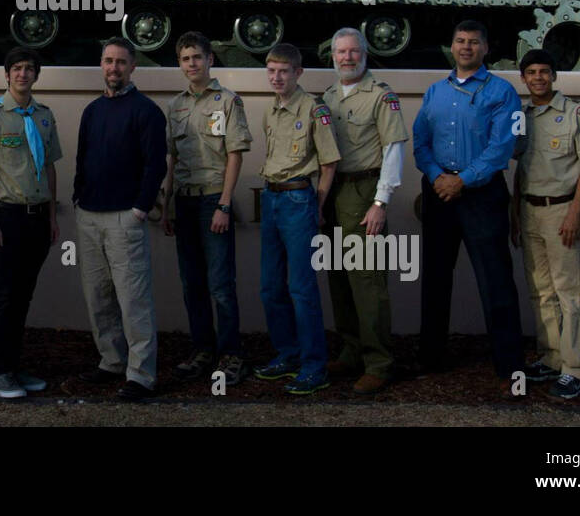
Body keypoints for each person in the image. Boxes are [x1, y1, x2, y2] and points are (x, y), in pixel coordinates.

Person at [412, 19, 524, 390]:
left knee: (495, 279)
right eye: (460, 41)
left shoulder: (502, 92)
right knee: (435, 277)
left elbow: (501, 148)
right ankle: (431, 358)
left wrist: (463, 180)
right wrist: (436, 176)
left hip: (481, 194)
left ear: (485, 48)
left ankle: (508, 363)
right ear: (452, 46)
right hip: (439, 191)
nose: (465, 47)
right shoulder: (434, 92)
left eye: (473, 42)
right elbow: (420, 141)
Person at [72, 37, 167, 402]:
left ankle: (141, 375)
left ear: (132, 67)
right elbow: (83, 158)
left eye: (121, 62)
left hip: (125, 219)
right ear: (101, 64)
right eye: (108, 61)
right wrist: (78, 197)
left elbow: (155, 165)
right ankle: (112, 360)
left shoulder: (146, 111)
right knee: (99, 297)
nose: (114, 68)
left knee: (133, 300)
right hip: (89, 215)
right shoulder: (93, 110)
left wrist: (140, 209)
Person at [511, 49, 580, 400]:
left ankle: (574, 369)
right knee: (541, 290)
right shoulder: (521, 116)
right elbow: (520, 167)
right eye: (531, 72)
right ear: (523, 78)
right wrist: (514, 216)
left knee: (569, 293)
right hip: (528, 210)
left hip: (561, 211)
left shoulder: (576, 113)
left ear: (554, 76)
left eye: (545, 71)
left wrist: (574, 213)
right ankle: (551, 358)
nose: (538, 77)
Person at [0, 47, 63, 399]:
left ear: (36, 75)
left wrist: (53, 218)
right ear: (6, 75)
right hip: (6, 218)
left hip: (37, 218)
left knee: (23, 296)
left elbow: (51, 167)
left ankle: (14, 365)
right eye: (17, 69)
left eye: (29, 69)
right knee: (4, 295)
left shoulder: (43, 116)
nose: (23, 74)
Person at [161, 31, 252, 386]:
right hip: (184, 200)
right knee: (192, 283)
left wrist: (225, 205)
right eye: (185, 59)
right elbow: (172, 159)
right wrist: (167, 205)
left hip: (214, 199)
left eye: (197, 57)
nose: (192, 64)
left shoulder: (228, 101)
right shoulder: (175, 106)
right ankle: (202, 349)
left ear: (210, 59)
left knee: (220, 284)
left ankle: (231, 355)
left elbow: (235, 154)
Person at [320, 27, 407, 395]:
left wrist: (380, 202)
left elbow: (394, 149)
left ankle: (378, 362)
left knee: (367, 281)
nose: (347, 58)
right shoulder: (328, 96)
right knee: (338, 277)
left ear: (365, 54)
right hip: (334, 190)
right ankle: (352, 349)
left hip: (364, 191)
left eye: (353, 51)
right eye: (341, 52)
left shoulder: (381, 97)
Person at [255, 42, 339, 395]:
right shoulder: (271, 110)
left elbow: (329, 162)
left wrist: (316, 203)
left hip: (298, 198)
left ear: (298, 72)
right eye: (271, 71)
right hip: (271, 198)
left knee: (301, 288)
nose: (276, 77)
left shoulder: (314, 109)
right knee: (270, 287)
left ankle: (313, 365)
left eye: (283, 71)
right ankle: (287, 354)